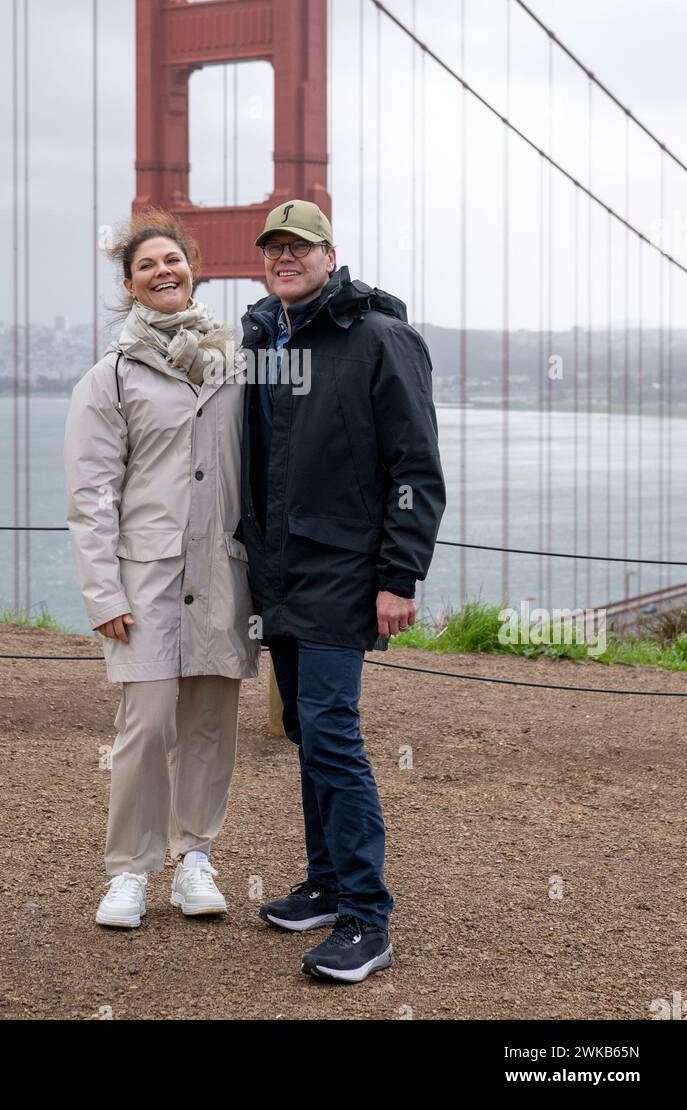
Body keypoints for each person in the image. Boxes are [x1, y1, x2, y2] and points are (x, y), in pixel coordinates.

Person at [237, 198, 446, 982]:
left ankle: (366, 917)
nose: (285, 258)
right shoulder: (264, 336)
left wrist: (400, 575)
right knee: (302, 729)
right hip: (281, 572)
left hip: (344, 573)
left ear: (332, 256)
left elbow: (415, 467)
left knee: (332, 733)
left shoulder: (382, 340)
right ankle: (325, 884)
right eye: (274, 249)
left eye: (301, 247)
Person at [63, 207, 259, 929]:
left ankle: (196, 859)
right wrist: (101, 591)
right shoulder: (110, 377)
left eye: (172, 260)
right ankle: (130, 871)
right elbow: (90, 496)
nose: (162, 271)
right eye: (146, 265)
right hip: (143, 580)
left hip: (222, 572)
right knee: (145, 726)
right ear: (129, 285)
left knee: (211, 724)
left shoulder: (239, 363)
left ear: (193, 268)